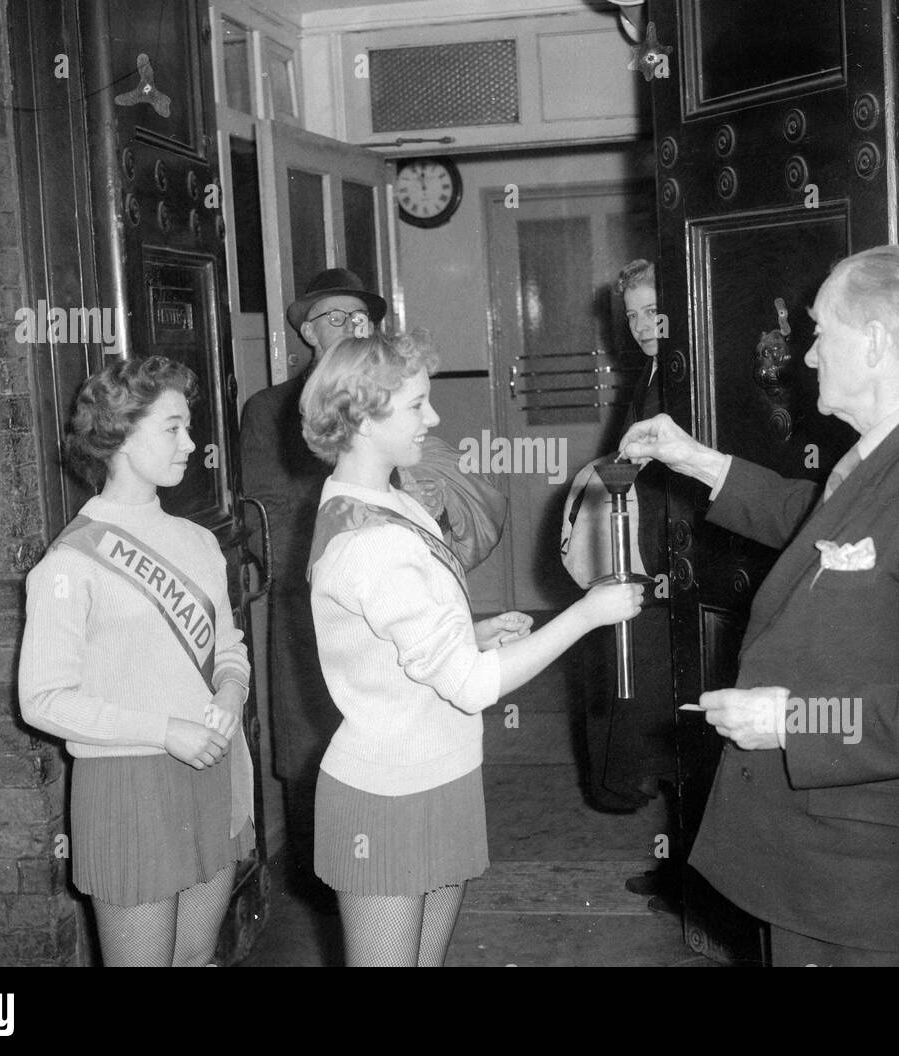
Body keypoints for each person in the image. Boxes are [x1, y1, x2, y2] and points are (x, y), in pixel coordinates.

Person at [619, 245, 899, 966]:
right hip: (827, 868)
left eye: (821, 334)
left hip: (878, 889)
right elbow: (823, 524)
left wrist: (793, 719)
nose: (806, 358)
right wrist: (698, 461)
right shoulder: (893, 447)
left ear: (874, 342)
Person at [301, 329, 641, 966]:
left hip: (440, 771)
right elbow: (472, 686)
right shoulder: (368, 540)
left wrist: (468, 635)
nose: (433, 419)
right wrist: (585, 615)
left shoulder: (392, 502)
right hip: (388, 793)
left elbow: (396, 640)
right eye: (415, 406)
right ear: (363, 419)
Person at [239, 267, 505, 910]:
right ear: (305, 332)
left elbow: (447, 520)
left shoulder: (393, 428)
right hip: (310, 609)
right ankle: (327, 893)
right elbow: (261, 520)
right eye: (334, 317)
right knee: (316, 751)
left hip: (393, 617)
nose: (351, 326)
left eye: (360, 317)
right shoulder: (270, 410)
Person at [19, 356, 254, 966]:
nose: (192, 442)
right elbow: (41, 700)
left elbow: (229, 649)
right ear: (120, 435)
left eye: (188, 425)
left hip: (210, 771)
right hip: (128, 787)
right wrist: (165, 730)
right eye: (173, 427)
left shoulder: (200, 541)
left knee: (198, 959)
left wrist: (229, 695)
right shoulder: (70, 562)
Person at [580, 260, 680, 907]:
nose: (645, 325)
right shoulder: (652, 372)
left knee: (675, 717)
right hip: (650, 568)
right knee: (662, 715)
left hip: (675, 573)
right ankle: (681, 866)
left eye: (654, 310)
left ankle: (689, 872)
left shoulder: (684, 373)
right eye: (635, 314)